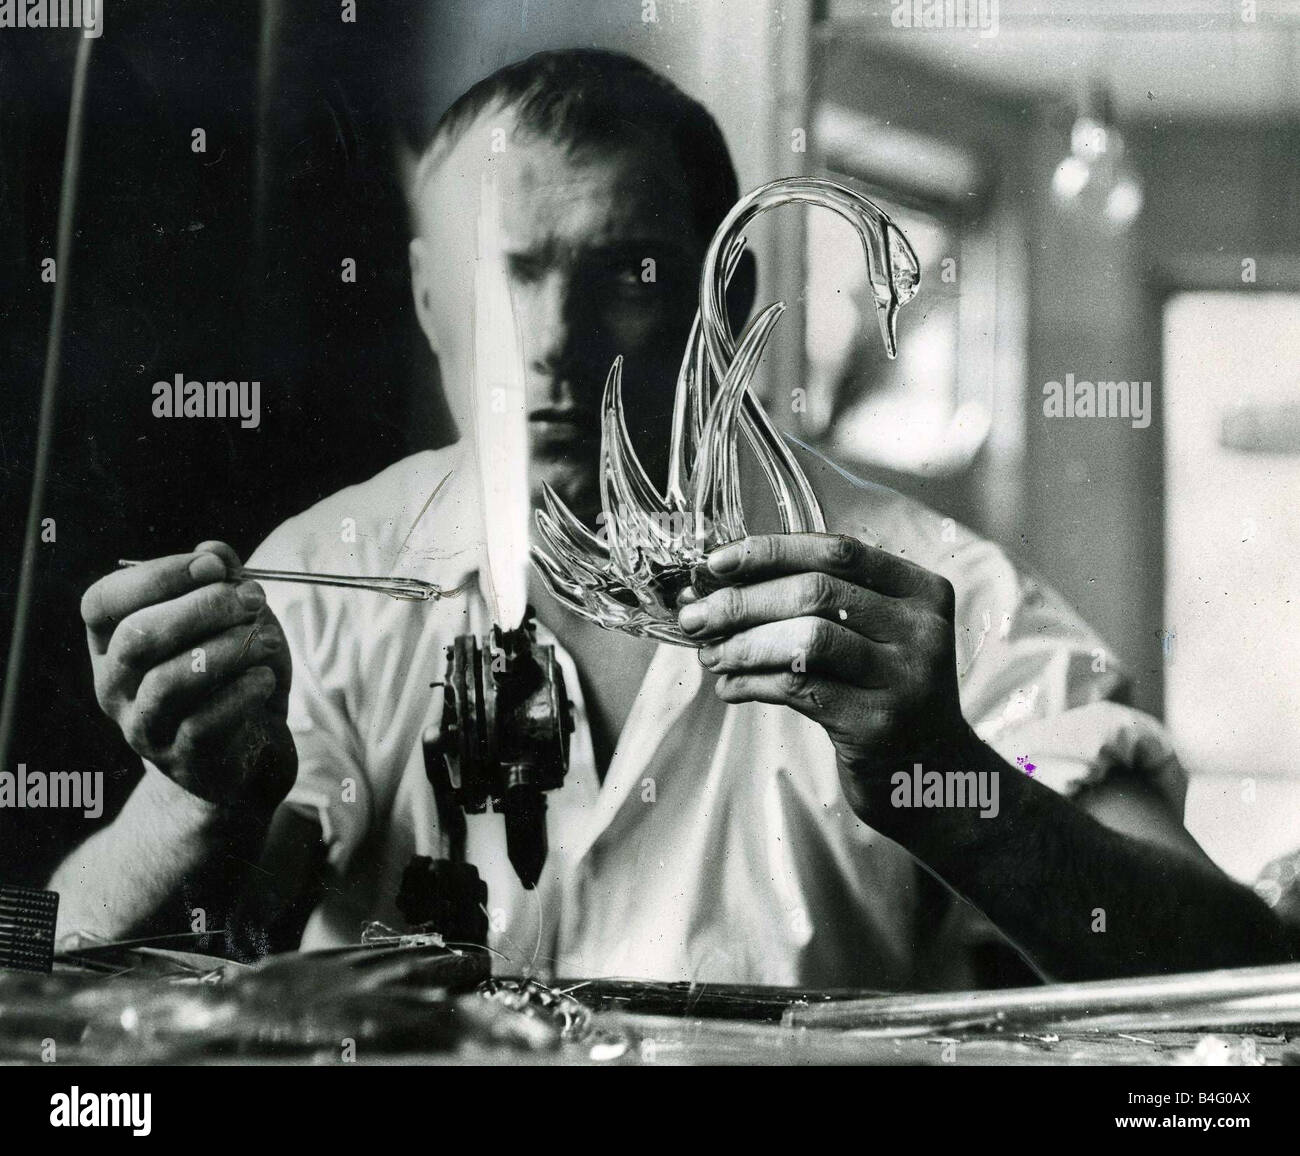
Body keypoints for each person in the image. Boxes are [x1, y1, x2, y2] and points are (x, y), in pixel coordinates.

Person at [52, 49, 1291, 988]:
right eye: (504, 277)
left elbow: (1233, 978)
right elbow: (76, 966)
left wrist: (946, 779)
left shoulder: (925, 592)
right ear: (432, 301)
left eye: (624, 277)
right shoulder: (330, 575)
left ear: (726, 292)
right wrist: (195, 804)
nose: (547, 347)